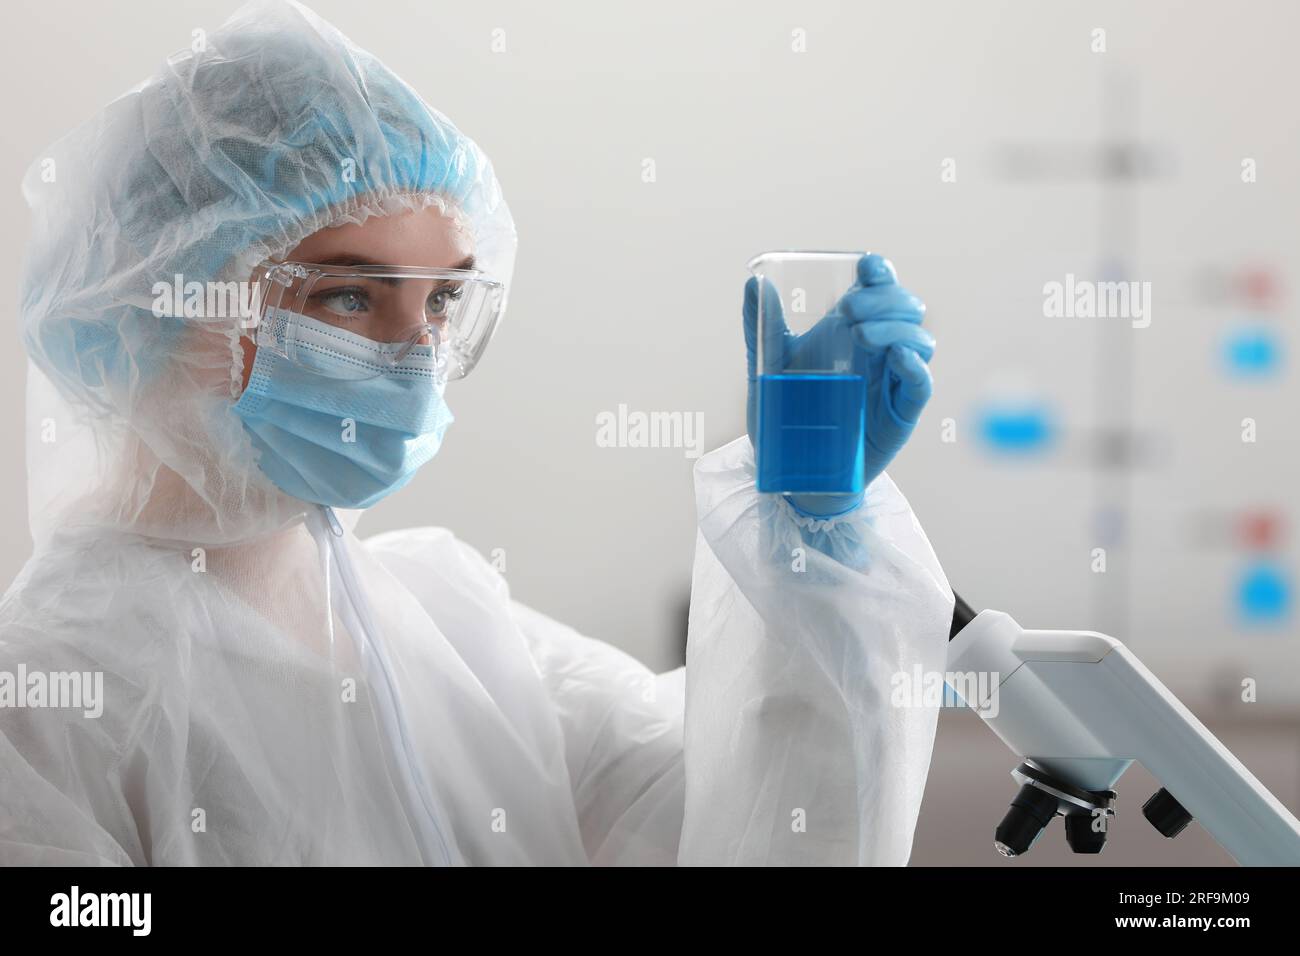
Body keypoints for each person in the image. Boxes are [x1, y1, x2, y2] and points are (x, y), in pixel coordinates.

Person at [1, 0, 951, 866]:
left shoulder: (456, 622)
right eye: (347, 294)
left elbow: (748, 827)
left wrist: (811, 530)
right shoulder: (43, 701)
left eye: (445, 298)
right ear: (148, 308)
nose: (417, 352)